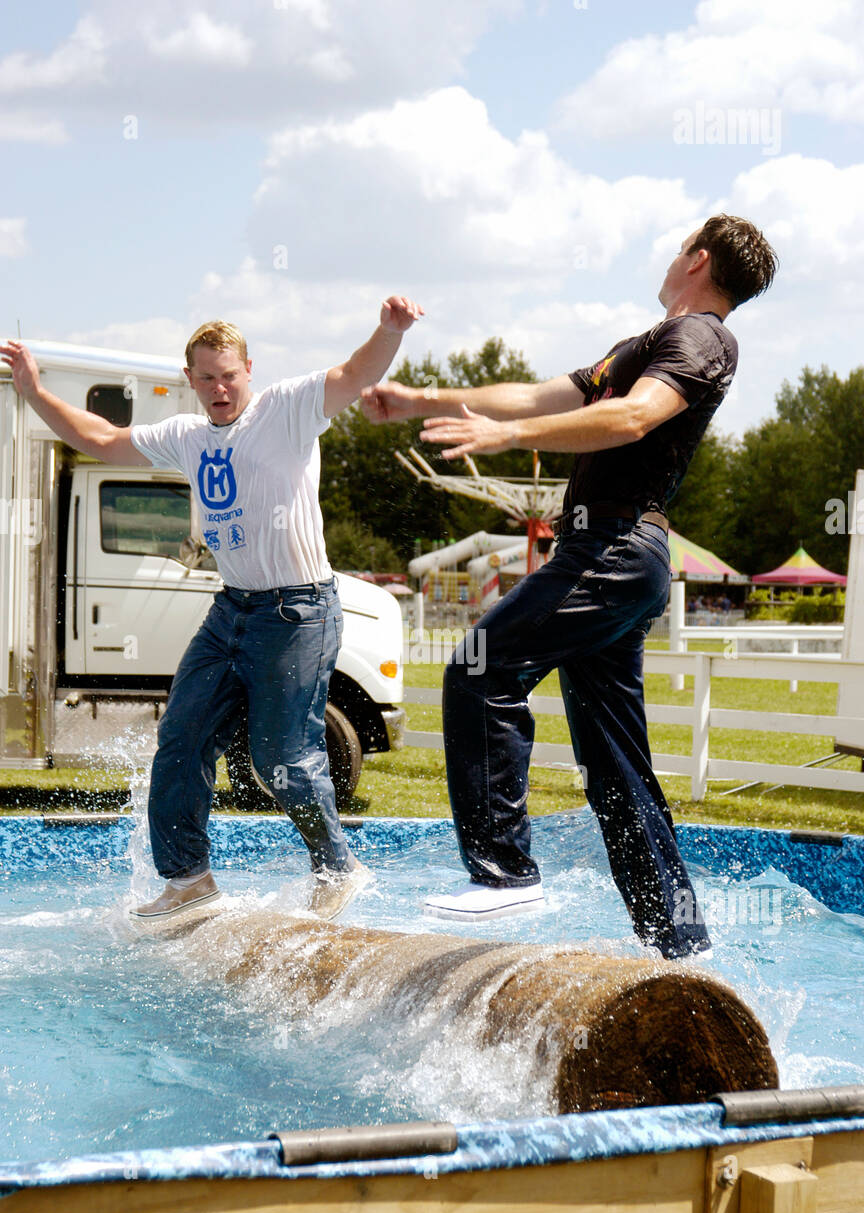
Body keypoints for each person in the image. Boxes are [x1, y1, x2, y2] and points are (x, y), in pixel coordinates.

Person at [361, 215, 777, 959]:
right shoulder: (645, 343)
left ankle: (503, 874)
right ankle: (681, 947)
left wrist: (507, 442)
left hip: (613, 548)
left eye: (680, 243)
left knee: (480, 670)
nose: (671, 252)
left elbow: (632, 418)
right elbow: (540, 394)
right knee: (618, 769)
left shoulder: (701, 340)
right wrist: (423, 400)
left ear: (699, 258)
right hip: (613, 552)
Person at [1, 296, 423, 922]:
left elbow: (355, 375)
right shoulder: (186, 436)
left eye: (229, 374)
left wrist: (388, 332)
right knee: (180, 737)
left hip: (298, 611)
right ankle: (189, 879)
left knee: (279, 757)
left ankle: (338, 866)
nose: (220, 387)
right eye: (206, 377)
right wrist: (33, 390)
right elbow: (103, 439)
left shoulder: (285, 410)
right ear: (190, 380)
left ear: (248, 369)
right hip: (231, 611)